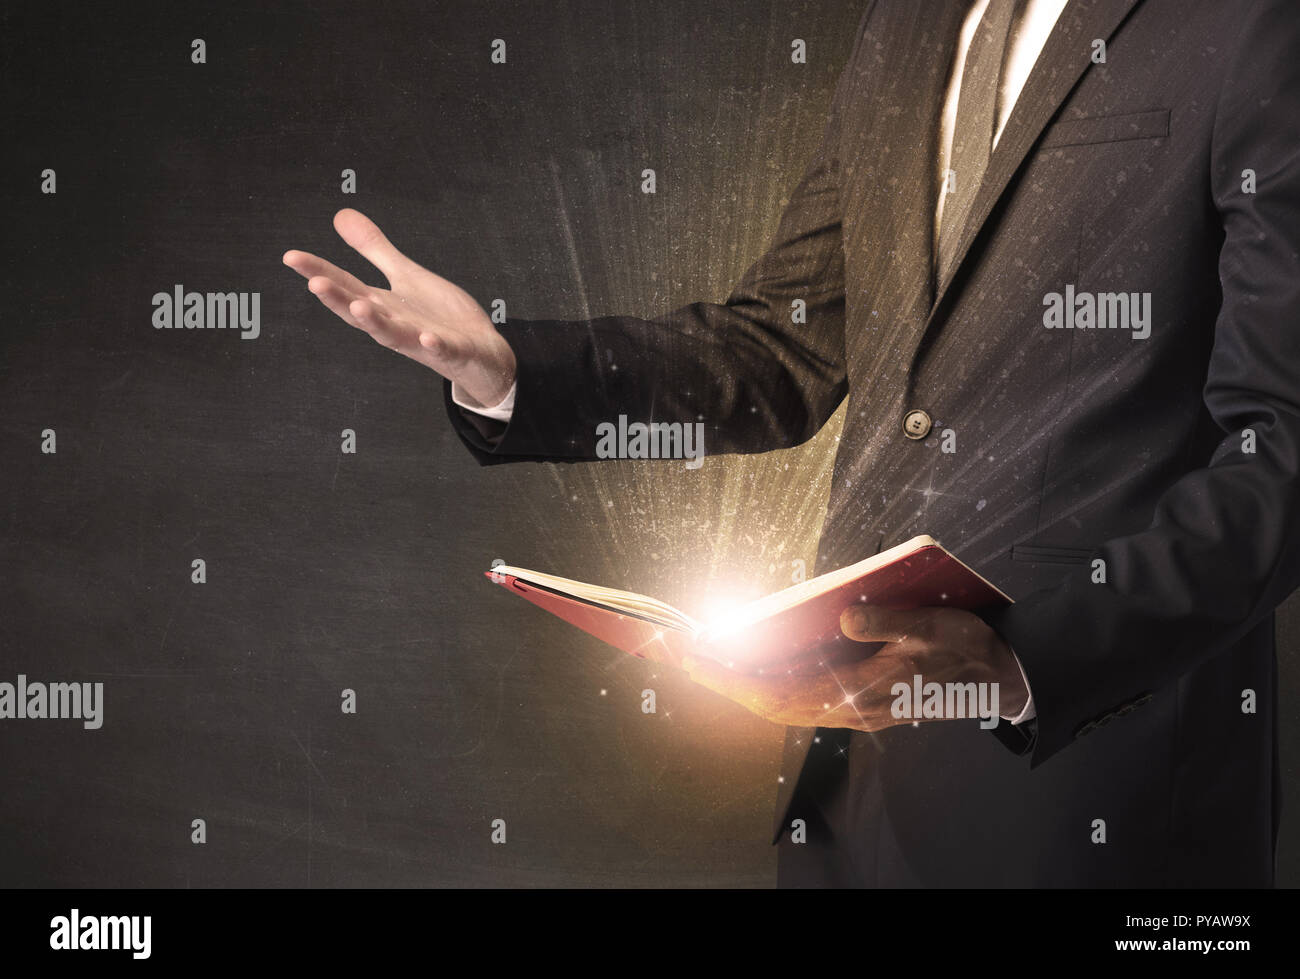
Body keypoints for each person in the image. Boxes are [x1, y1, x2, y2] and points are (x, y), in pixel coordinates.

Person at [285, 0, 1300, 886]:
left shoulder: (1252, 19)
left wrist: (1023, 663)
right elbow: (778, 347)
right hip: (847, 790)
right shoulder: (905, 24)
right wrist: (508, 367)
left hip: (1094, 791)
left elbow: (1283, 448)